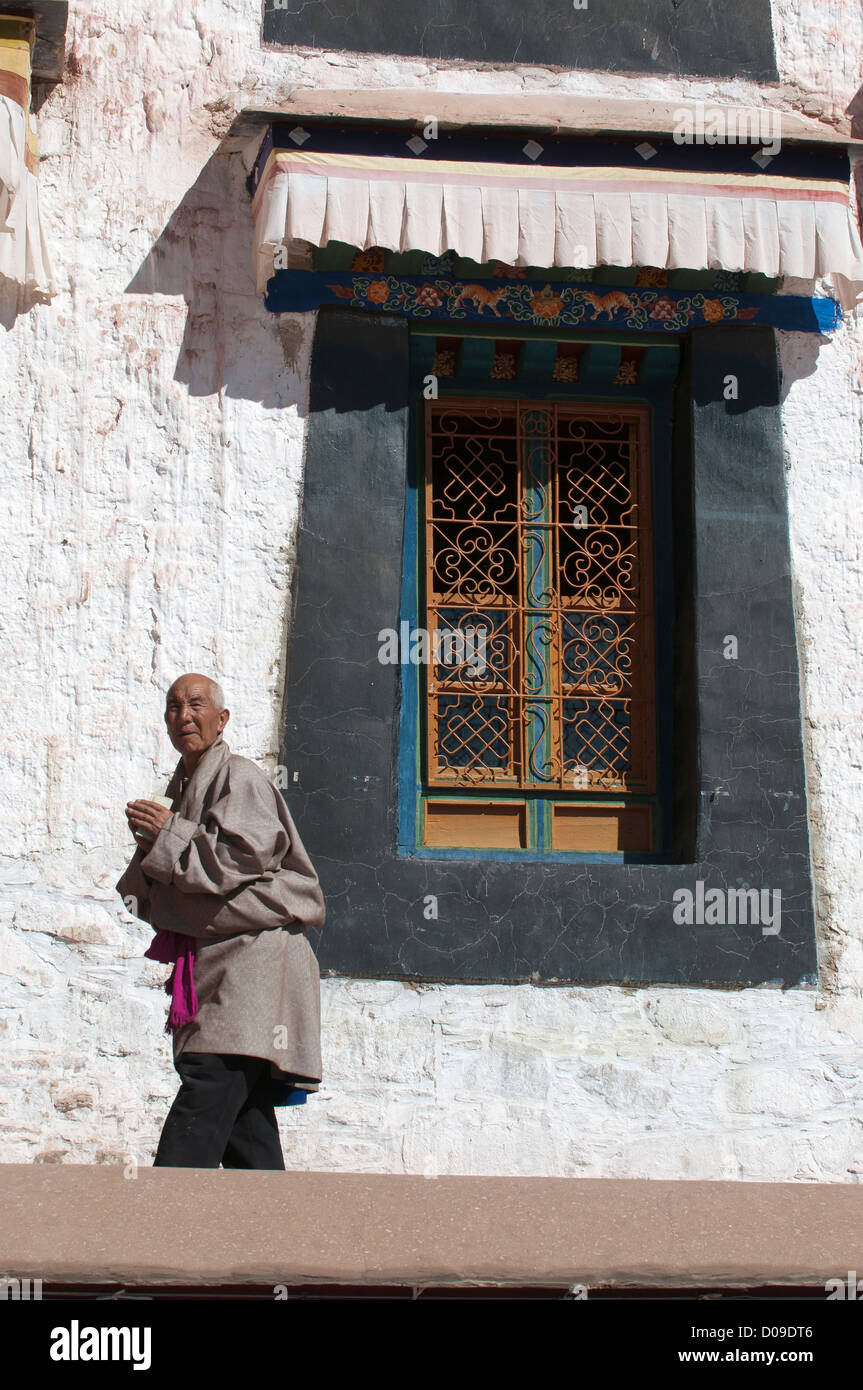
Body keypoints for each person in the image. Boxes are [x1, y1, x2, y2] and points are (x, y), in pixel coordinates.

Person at [115, 673, 326, 1169]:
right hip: (220, 963)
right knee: (245, 1124)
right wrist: (156, 842)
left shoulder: (241, 776)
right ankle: (269, 1237)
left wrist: (167, 834)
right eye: (173, 706)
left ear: (221, 718)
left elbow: (236, 859)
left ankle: (159, 1227)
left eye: (196, 704)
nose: (184, 715)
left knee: (210, 1080)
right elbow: (172, 876)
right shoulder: (185, 785)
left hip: (254, 965)